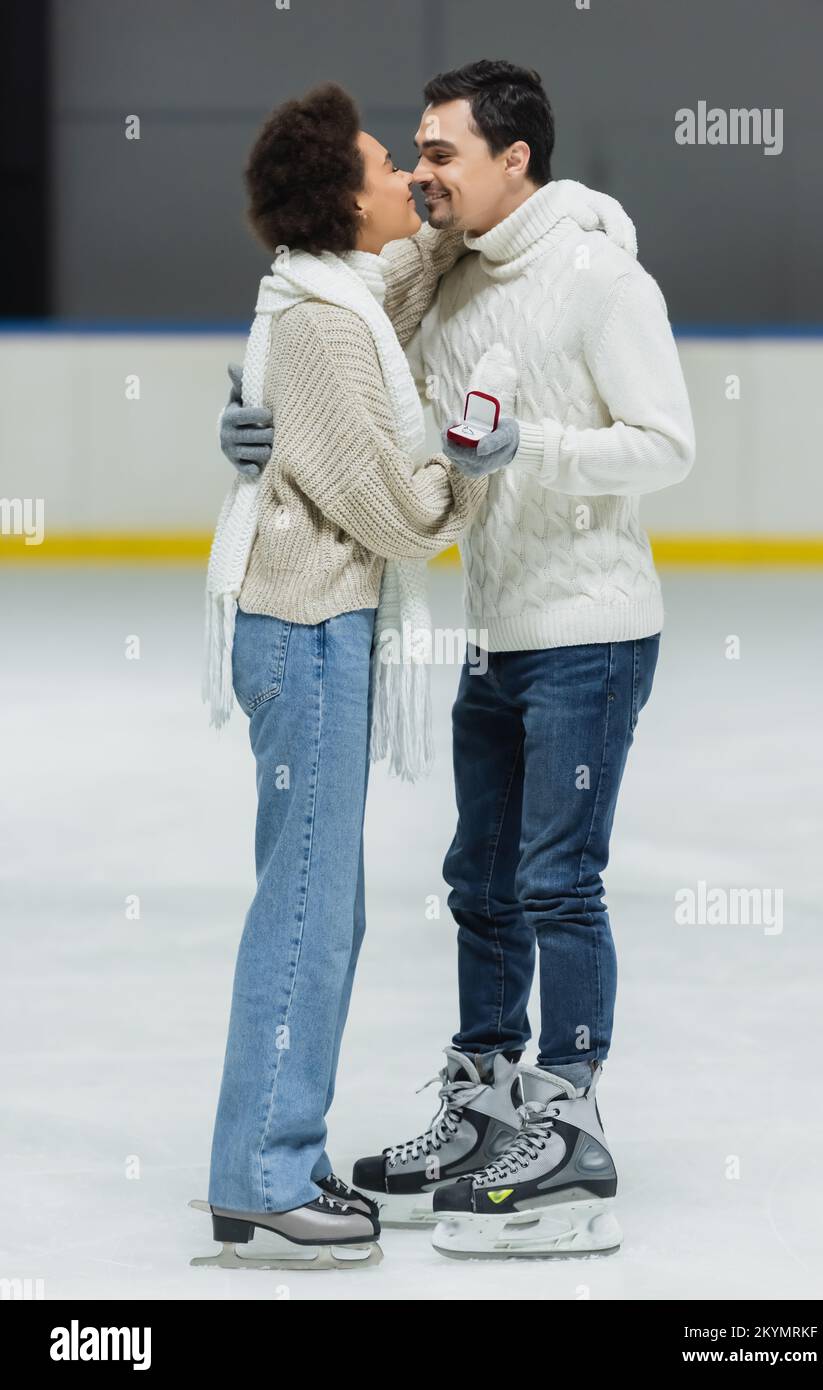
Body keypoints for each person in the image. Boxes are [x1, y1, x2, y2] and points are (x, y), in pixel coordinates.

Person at [219, 60, 695, 1259]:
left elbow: (666, 444)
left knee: (555, 882)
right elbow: (330, 337)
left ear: (515, 159)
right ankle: (485, 1097)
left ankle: (568, 1113)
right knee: (475, 883)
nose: (421, 176)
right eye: (407, 157)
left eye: (439, 154)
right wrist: (249, 416)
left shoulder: (598, 274)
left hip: (587, 626)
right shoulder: (437, 276)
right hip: (490, 628)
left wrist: (525, 449)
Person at [193, 81, 509, 1272]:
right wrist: (472, 464)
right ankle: (262, 1177)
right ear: (338, 196)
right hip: (309, 625)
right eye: (388, 164)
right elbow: (398, 513)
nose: (405, 180)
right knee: (310, 909)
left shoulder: (332, 290)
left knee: (326, 904)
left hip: (314, 628)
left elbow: (409, 271)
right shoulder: (327, 327)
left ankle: (273, 1155)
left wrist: (477, 208)